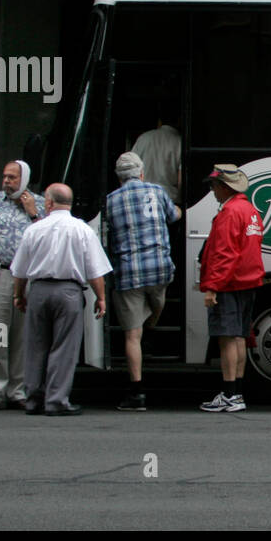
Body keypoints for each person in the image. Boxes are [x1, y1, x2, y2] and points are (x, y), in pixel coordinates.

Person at [11, 184, 113, 416]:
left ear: (48, 203)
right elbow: (95, 271)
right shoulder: (83, 230)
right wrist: (101, 298)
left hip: (38, 291)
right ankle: (56, 400)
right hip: (69, 293)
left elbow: (20, 270)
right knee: (64, 347)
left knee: (36, 345)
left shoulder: (34, 230)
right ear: (70, 203)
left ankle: (34, 398)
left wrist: (19, 295)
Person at [106, 152, 182, 412]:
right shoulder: (157, 191)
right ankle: (151, 329)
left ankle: (136, 392)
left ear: (119, 178)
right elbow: (174, 216)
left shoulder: (111, 200)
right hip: (159, 268)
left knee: (131, 335)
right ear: (141, 173)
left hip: (129, 272)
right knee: (157, 304)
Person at [0, 160, 45, 412]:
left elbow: (47, 241)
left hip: (26, 277)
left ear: (24, 179)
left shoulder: (40, 203)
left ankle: (18, 390)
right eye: (5, 176)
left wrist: (33, 212)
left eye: (12, 177)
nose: (7, 181)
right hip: (0, 274)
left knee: (23, 336)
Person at [198, 164, 265, 413]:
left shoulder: (229, 213)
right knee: (239, 337)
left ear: (224, 187)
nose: (213, 190)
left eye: (214, 186)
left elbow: (224, 253)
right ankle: (236, 393)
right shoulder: (250, 210)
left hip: (229, 283)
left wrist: (212, 287)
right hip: (248, 282)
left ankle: (228, 394)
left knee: (227, 338)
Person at [131, 112, 182, 203]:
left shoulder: (143, 138)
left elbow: (131, 169)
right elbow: (180, 180)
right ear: (179, 121)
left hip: (143, 197)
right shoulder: (179, 142)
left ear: (160, 121)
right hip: (169, 198)